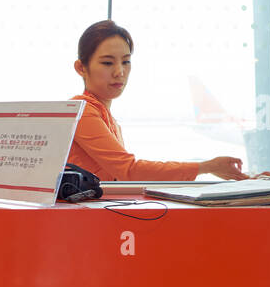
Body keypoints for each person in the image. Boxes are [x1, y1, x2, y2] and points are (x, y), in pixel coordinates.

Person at [67, 20, 246, 181]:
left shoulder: (104, 115)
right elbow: (129, 171)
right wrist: (207, 167)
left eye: (126, 62)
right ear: (81, 67)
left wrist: (250, 178)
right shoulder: (82, 111)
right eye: (107, 63)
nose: (119, 72)